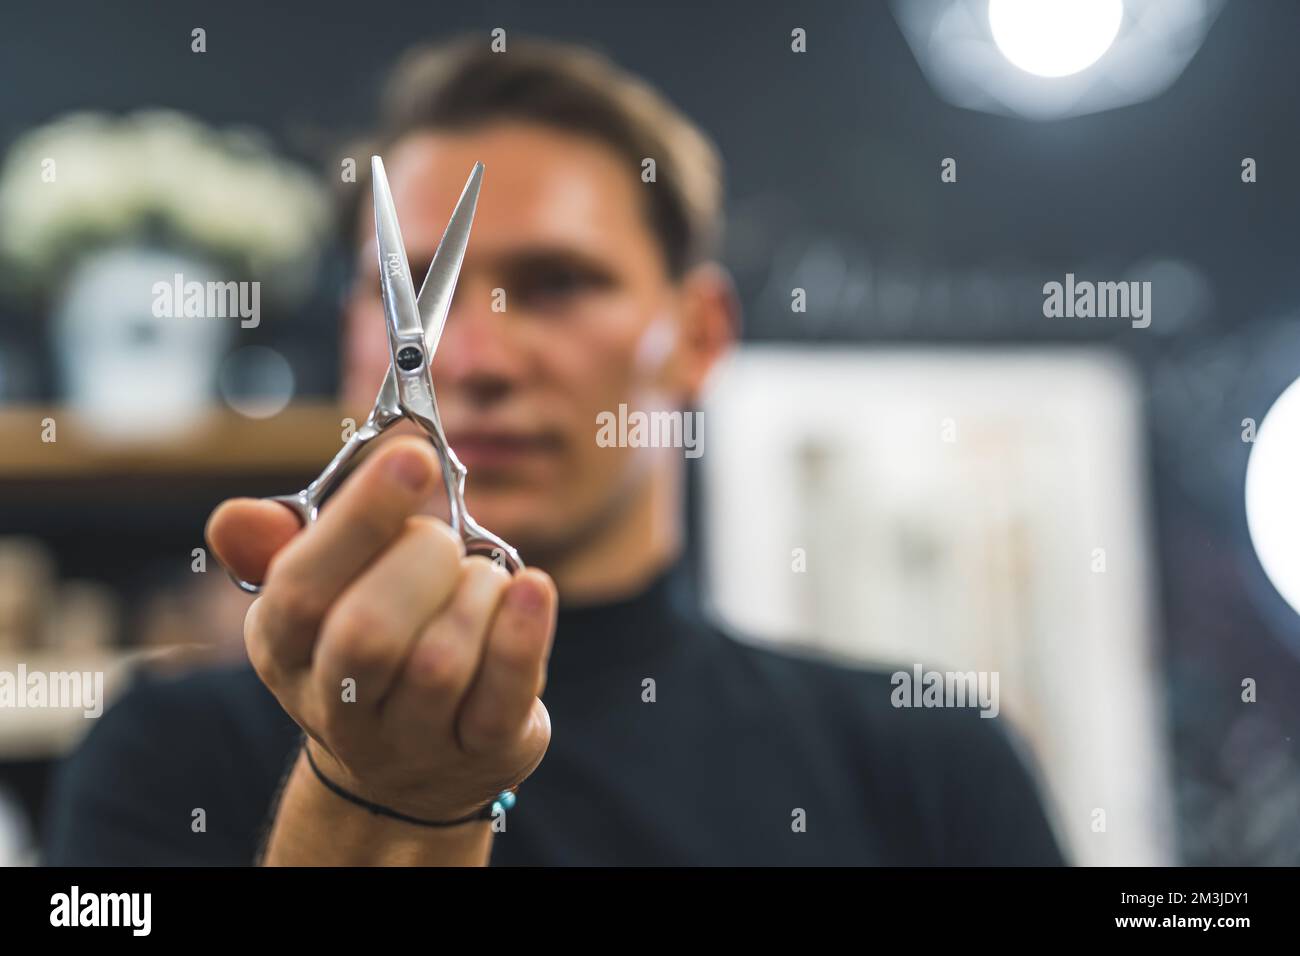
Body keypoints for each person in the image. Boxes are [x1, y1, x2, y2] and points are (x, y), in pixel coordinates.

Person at [45, 36, 1065, 866]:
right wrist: (365, 801)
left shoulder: (929, 762)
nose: (474, 357)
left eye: (556, 284)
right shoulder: (161, 758)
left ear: (700, 336)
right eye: (410, 289)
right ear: (358, 333)